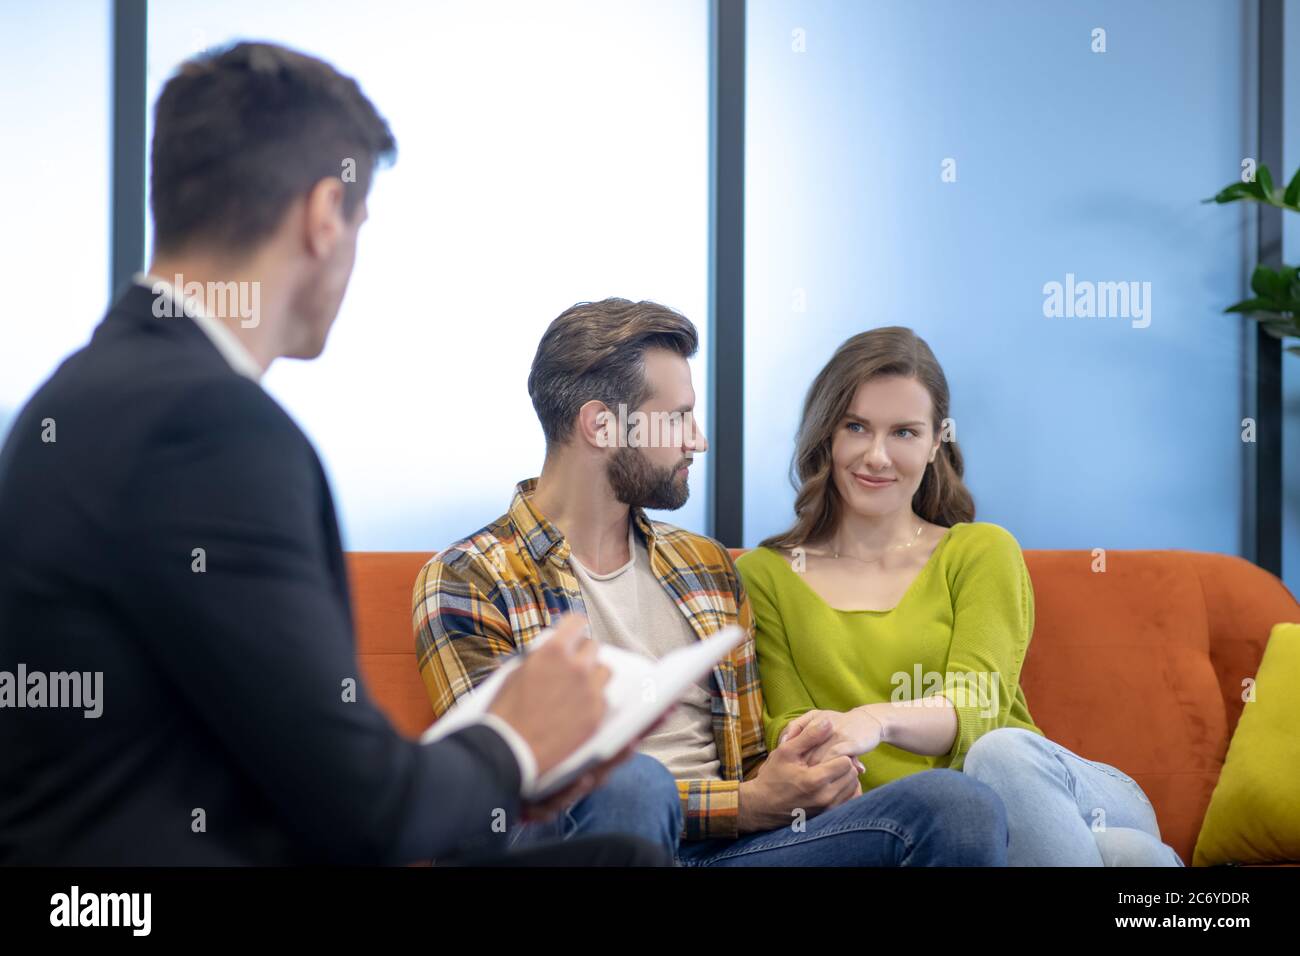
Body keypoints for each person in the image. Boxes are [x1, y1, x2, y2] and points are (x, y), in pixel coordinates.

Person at [0, 41, 665, 867]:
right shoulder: (211, 428)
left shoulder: (72, 400)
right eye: (359, 222)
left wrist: (506, 772)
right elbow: (368, 814)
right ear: (323, 216)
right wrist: (515, 741)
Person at [414, 298, 1010, 866]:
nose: (698, 439)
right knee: (632, 785)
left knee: (955, 808)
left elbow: (754, 758)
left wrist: (801, 773)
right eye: (677, 419)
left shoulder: (705, 566)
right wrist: (748, 803)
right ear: (600, 425)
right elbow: (506, 785)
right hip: (576, 846)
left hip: (728, 852)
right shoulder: (471, 576)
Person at [736, 326, 1183, 866]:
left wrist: (875, 720)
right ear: (826, 436)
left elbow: (977, 706)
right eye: (856, 427)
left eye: (904, 432)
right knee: (1133, 858)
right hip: (916, 835)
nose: (877, 456)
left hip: (1050, 793)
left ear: (934, 444)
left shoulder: (979, 551)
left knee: (1003, 753)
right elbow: (790, 727)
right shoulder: (766, 575)